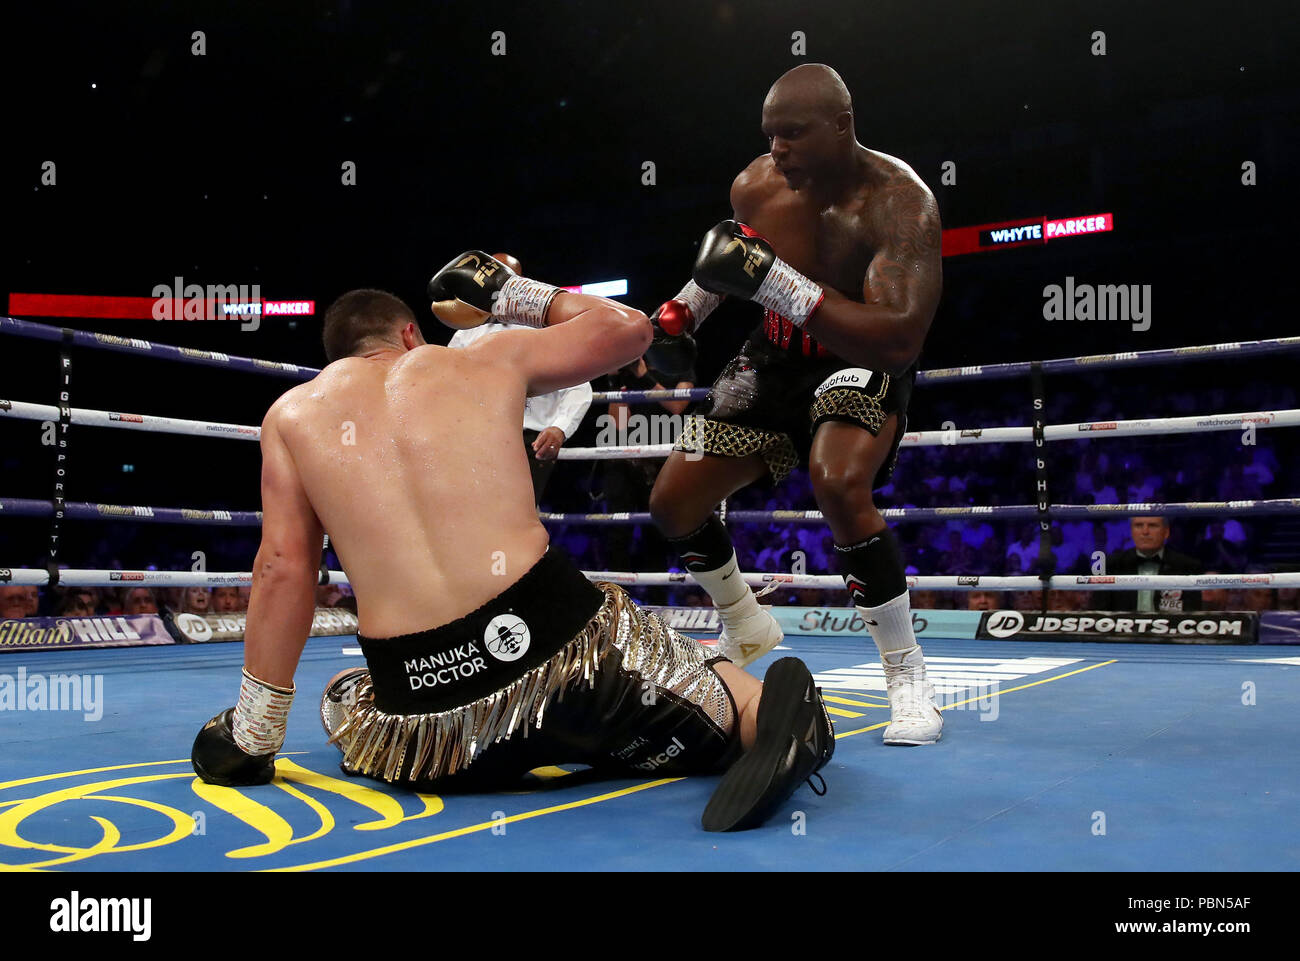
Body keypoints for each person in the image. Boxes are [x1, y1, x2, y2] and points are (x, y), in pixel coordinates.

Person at [191, 265, 834, 832]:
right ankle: (762, 718)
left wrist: (255, 733)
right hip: (576, 666)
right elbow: (631, 330)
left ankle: (266, 726)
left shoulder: (290, 416)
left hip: (433, 728)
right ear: (412, 334)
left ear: (337, 354)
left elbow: (284, 568)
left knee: (344, 689)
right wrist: (509, 291)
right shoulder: (479, 357)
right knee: (729, 689)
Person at [644, 64, 944, 745]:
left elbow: (899, 334)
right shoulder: (755, 185)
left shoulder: (899, 202)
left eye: (795, 133)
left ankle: (907, 674)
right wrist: (683, 314)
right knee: (674, 500)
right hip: (776, 356)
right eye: (770, 134)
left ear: (843, 124)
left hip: (862, 355)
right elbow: (732, 260)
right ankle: (746, 621)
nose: (778, 149)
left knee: (837, 480)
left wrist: (776, 282)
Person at [447, 254, 593, 505]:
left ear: (519, 283)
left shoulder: (548, 330)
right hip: (476, 439)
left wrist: (560, 428)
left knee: (518, 518)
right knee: (473, 515)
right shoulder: (465, 334)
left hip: (530, 442)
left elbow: (580, 387)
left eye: (504, 279)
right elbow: (445, 386)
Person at [1101, 516, 1203, 612]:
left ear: (1166, 532)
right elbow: (1100, 612)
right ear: (1131, 531)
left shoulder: (1187, 566)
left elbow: (1192, 613)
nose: (1145, 532)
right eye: (1139, 525)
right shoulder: (1112, 565)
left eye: (1152, 525)